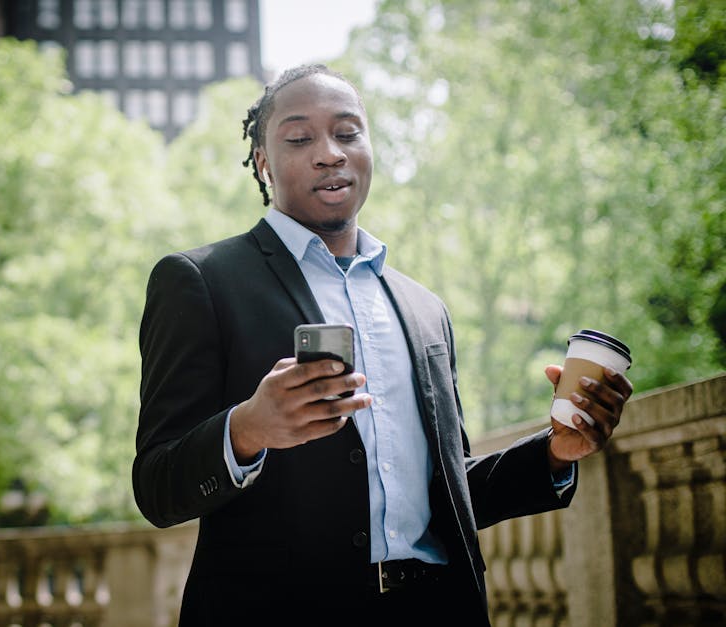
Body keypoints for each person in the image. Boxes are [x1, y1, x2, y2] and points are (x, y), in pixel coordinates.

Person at [131, 63, 633, 625]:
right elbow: (157, 486)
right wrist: (248, 428)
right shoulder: (198, 281)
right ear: (262, 162)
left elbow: (447, 488)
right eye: (299, 138)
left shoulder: (424, 309)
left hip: (438, 608)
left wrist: (555, 452)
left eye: (348, 133)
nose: (330, 153)